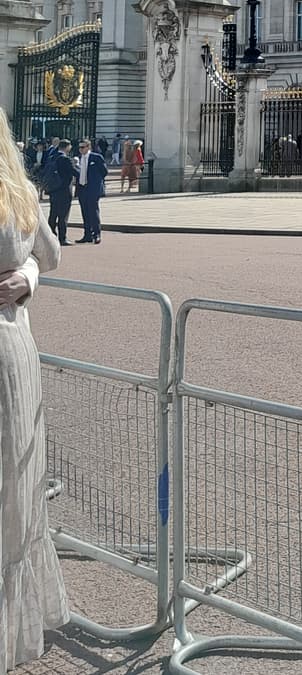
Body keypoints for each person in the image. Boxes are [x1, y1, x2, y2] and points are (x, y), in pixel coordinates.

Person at [0, 106, 71, 672]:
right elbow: (49, 256)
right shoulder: (19, 191)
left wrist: (29, 276)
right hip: (15, 355)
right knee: (14, 487)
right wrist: (29, 277)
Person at [74, 138, 108, 244]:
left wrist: (96, 183)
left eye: (83, 147)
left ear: (88, 147)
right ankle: (87, 234)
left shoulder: (96, 157)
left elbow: (104, 171)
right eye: (79, 147)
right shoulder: (79, 158)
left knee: (93, 212)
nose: (81, 149)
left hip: (92, 188)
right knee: (85, 212)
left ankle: (97, 234)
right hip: (82, 188)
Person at [45, 140, 77, 245]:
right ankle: (62, 238)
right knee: (63, 215)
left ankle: (51, 236)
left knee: (53, 214)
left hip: (53, 189)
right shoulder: (66, 159)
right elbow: (75, 172)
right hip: (63, 190)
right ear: (67, 147)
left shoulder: (51, 157)